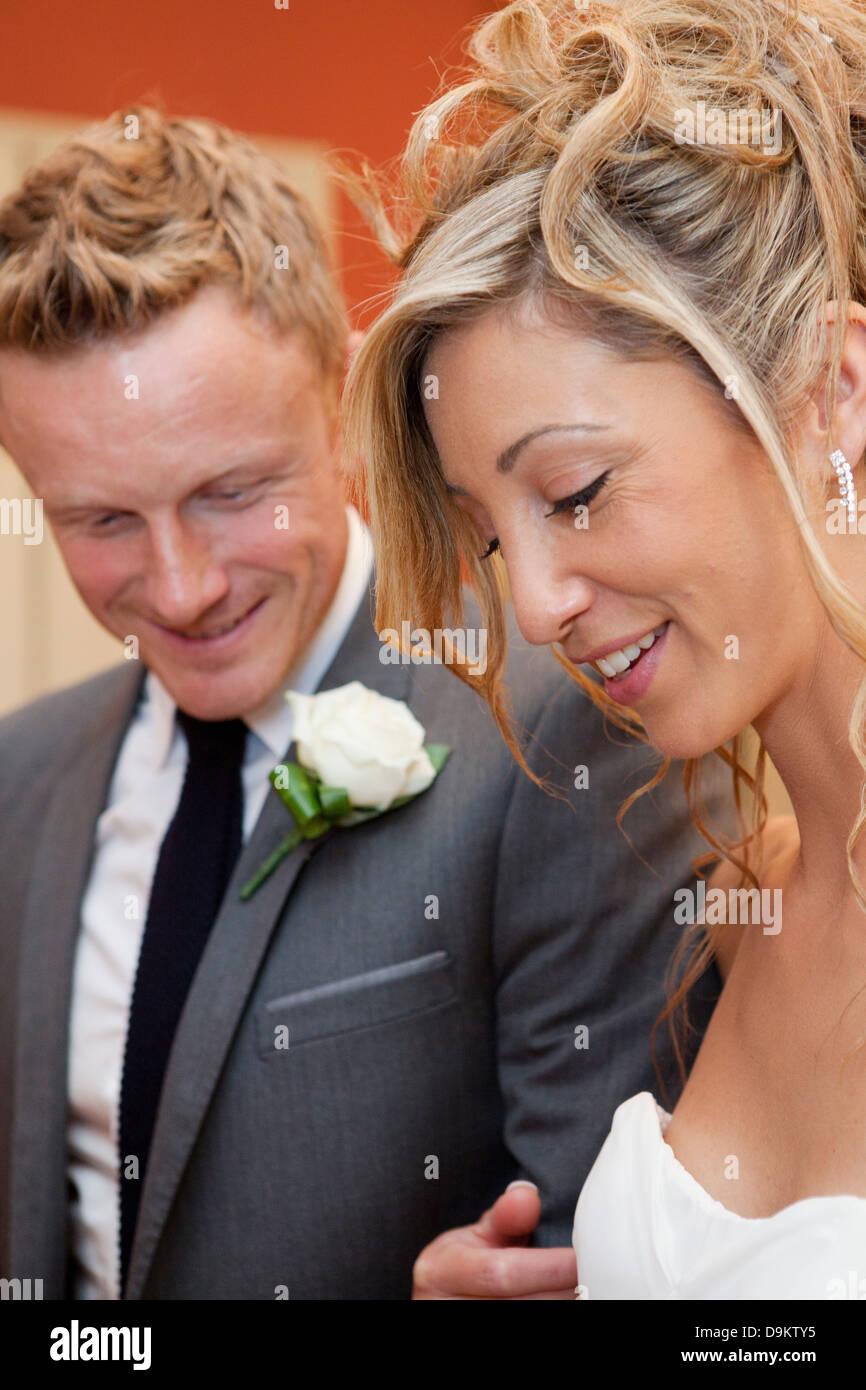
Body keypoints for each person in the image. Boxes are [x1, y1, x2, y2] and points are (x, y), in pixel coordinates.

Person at [0, 105, 728, 1300]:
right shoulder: (19, 776)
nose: (182, 588)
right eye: (102, 521)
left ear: (339, 397)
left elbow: (601, 1256)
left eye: (234, 491)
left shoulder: (558, 733)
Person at [341, 0, 866, 1299]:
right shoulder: (739, 909)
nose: (531, 610)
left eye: (572, 491)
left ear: (826, 391)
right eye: (486, 533)